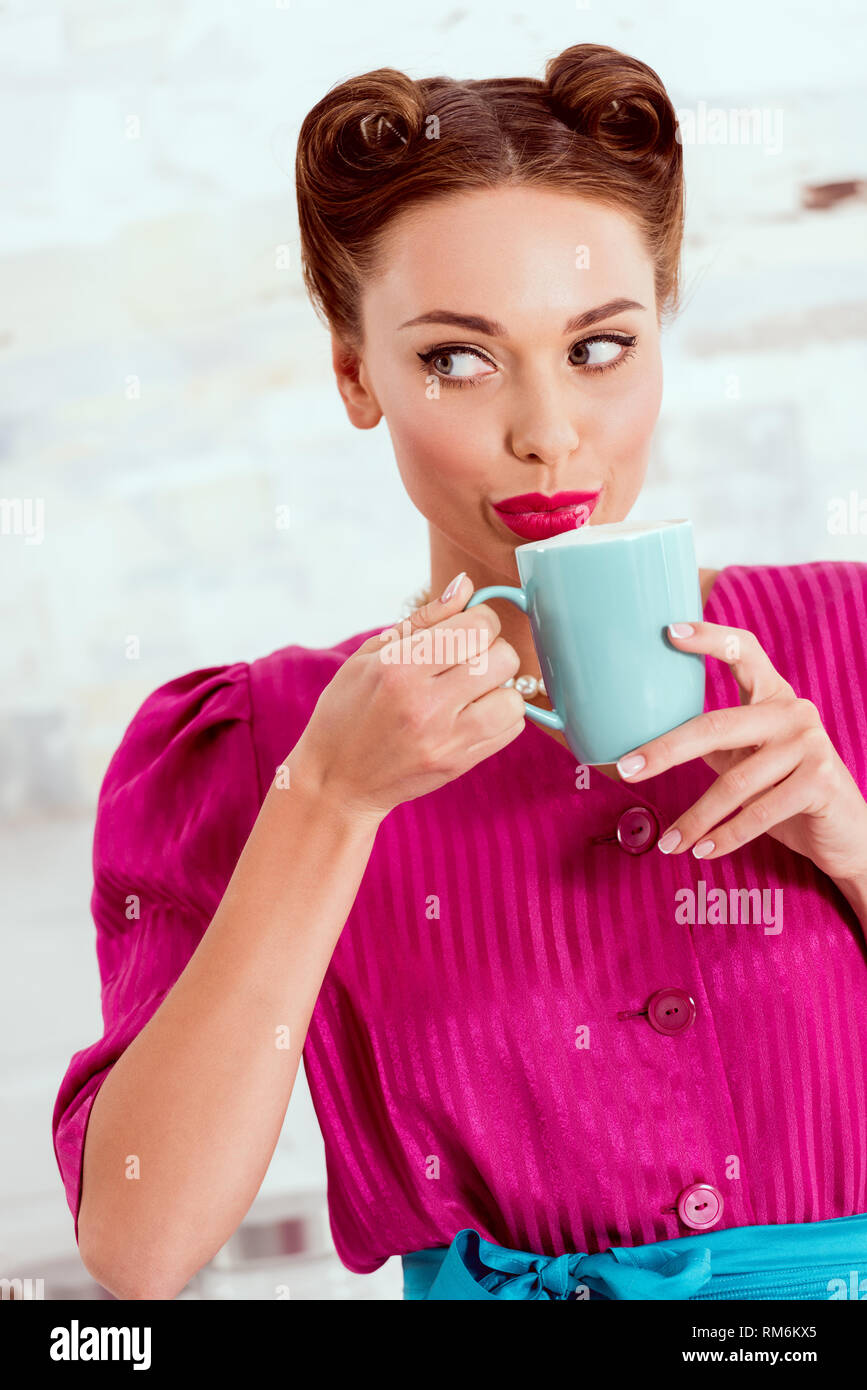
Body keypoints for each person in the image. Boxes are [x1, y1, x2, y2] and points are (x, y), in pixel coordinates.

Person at [53, 43, 867, 1301]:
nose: (548, 432)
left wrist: (852, 844)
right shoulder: (252, 743)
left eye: (598, 348)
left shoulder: (843, 649)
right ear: (353, 371)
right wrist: (327, 800)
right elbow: (141, 1249)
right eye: (459, 359)